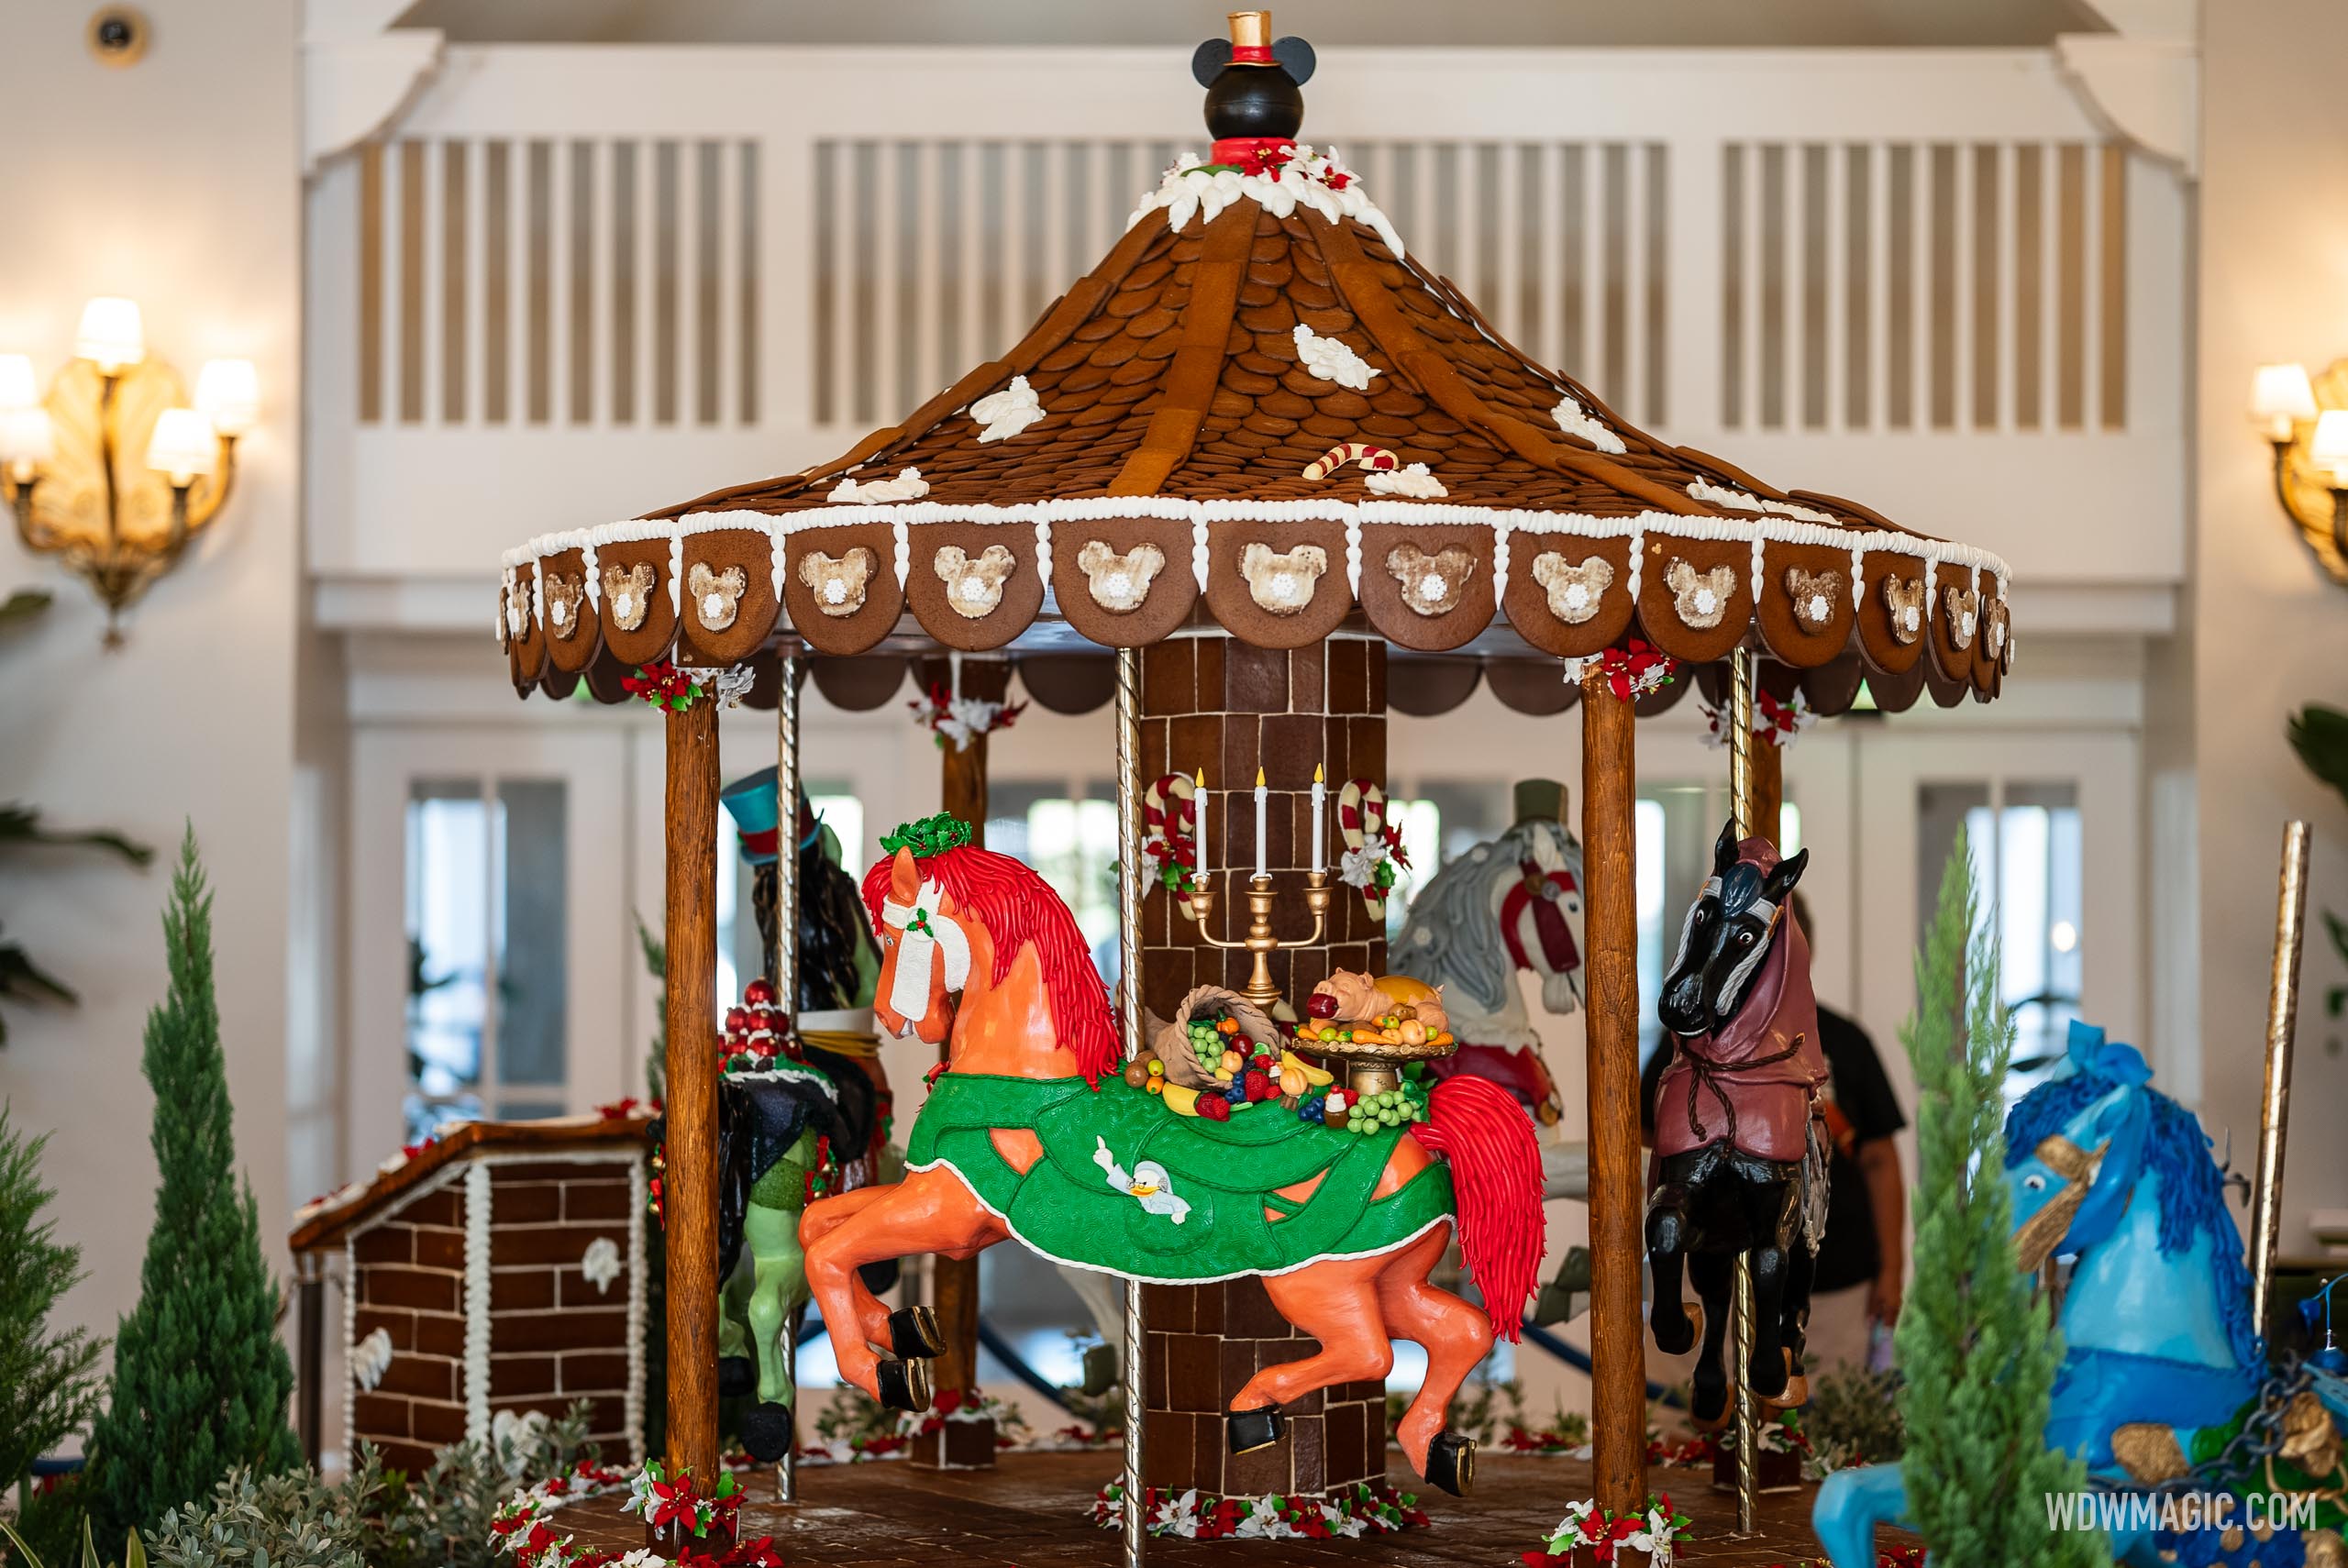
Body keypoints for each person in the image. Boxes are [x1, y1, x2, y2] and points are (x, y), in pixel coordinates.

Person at [1639, 891, 1905, 1374]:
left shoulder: (1843, 1039)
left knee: (1821, 1428)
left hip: (1833, 1277)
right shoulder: (1692, 1044)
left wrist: (1892, 1270)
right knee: (1694, 1423)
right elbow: (1648, 1133)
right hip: (1712, 1261)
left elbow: (1880, 1159)